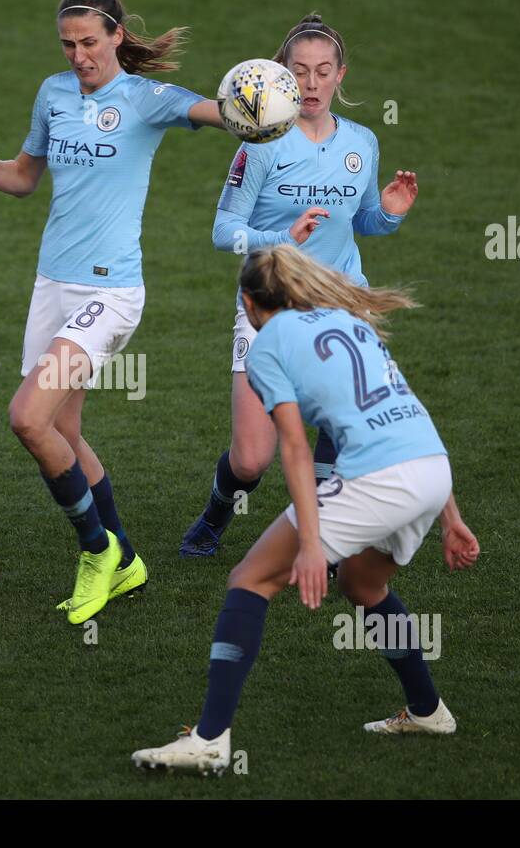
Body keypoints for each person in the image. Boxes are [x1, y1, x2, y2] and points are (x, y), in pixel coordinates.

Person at [133, 245, 479, 774]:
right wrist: (450, 515)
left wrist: (313, 546)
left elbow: (294, 447)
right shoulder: (347, 320)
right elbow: (407, 408)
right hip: (430, 467)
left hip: (381, 478)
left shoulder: (267, 345)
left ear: (249, 302)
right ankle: (428, 710)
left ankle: (208, 739)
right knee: (364, 586)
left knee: (250, 579)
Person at [0, 0, 230, 623]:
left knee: (27, 418)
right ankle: (126, 558)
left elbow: (219, 113)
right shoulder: (53, 94)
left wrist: (263, 107)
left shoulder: (145, 99)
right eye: (68, 43)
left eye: (88, 42)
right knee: (61, 429)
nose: (78, 55)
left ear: (115, 36)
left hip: (109, 292)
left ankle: (95, 550)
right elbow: (25, 177)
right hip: (52, 285)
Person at [180, 13, 419, 558]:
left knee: (341, 426)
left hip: (341, 301)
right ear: (282, 75)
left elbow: (362, 224)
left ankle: (324, 539)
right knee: (250, 459)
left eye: (323, 71)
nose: (311, 83)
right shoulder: (260, 144)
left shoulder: (362, 141)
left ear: (340, 76)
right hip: (269, 304)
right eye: (300, 71)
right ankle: (218, 512)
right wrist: (280, 236)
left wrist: (389, 212)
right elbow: (223, 232)